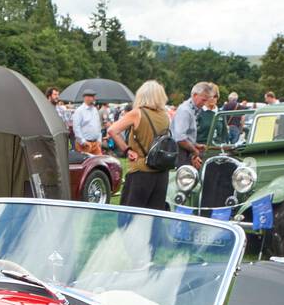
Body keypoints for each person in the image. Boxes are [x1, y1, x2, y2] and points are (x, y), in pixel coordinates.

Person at [109, 79, 171, 210]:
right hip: (161, 172)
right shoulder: (165, 115)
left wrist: (127, 150)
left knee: (130, 217)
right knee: (154, 216)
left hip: (140, 170)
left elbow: (112, 130)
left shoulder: (137, 113)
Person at [172, 82, 210, 169]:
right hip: (180, 153)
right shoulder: (185, 111)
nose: (204, 103)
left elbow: (185, 135)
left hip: (184, 151)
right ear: (195, 95)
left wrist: (195, 144)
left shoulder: (191, 110)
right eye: (203, 100)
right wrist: (194, 150)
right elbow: (180, 138)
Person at [72, 89, 102, 156]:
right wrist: (83, 142)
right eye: (92, 96)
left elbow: (98, 125)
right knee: (86, 165)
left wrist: (99, 140)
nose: (94, 98)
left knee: (99, 163)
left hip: (95, 143)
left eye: (94, 96)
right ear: (86, 98)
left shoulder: (95, 110)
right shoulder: (79, 111)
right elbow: (76, 128)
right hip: (84, 144)